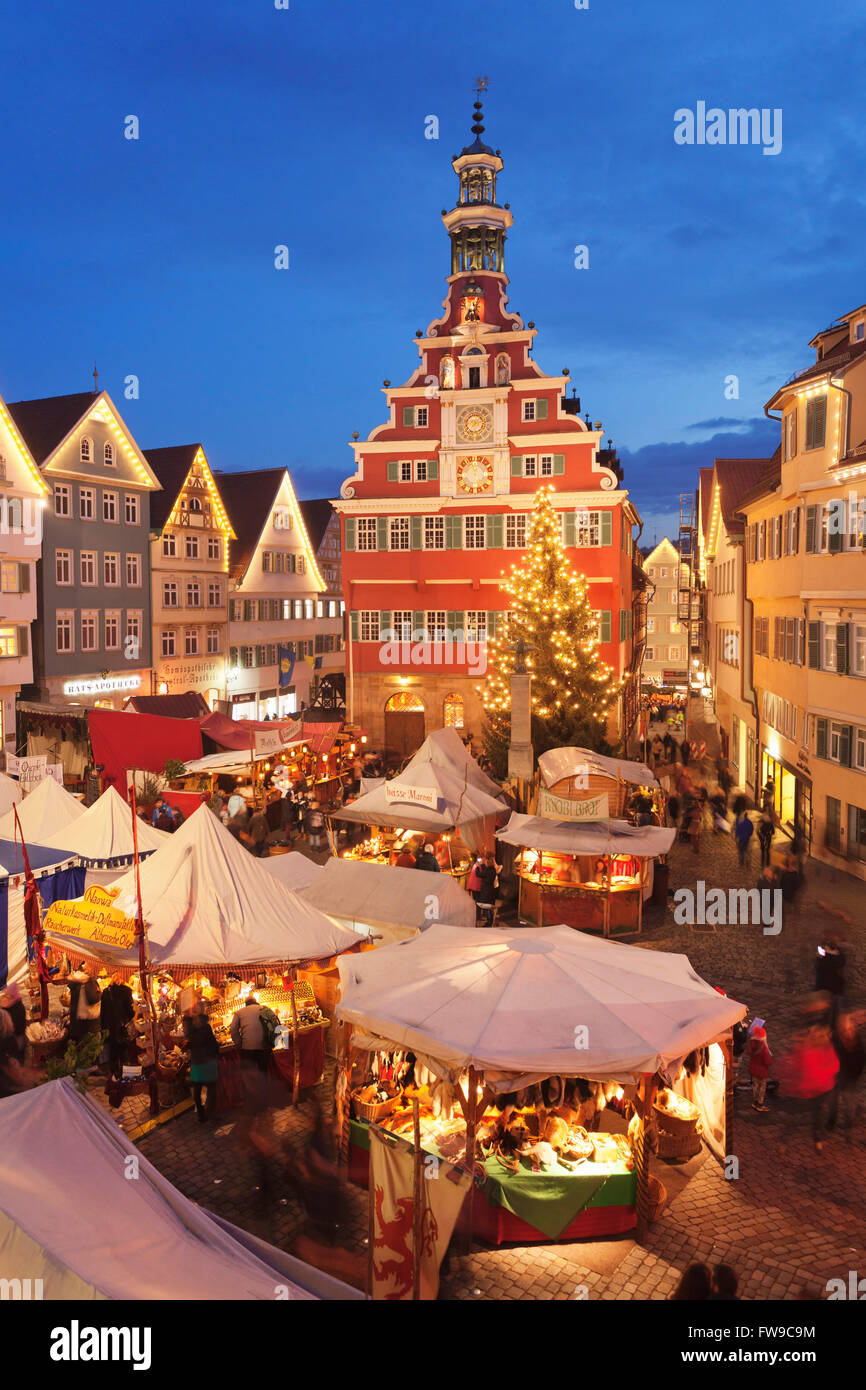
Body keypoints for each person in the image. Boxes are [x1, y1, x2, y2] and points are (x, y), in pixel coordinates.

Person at [827, 1010, 865, 1134]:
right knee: (832, 1100)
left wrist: (853, 1075)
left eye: (849, 1029)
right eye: (843, 1029)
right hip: (836, 1074)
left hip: (850, 1077)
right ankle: (831, 1122)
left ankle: (849, 1123)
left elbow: (860, 1065)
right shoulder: (835, 1039)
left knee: (849, 1101)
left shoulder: (859, 1046)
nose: (847, 1032)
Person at [183, 1006, 221, 1123]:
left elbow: (190, 1044)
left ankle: (201, 1114)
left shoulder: (191, 1032)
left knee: (197, 1090)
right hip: (207, 1062)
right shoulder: (206, 1028)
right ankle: (210, 1113)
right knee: (211, 1089)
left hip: (197, 1063)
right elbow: (214, 1044)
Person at [99, 975, 135, 1079]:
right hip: (122, 1026)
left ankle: (113, 1075)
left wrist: (103, 1026)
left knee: (113, 1051)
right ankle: (124, 1075)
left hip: (109, 1026)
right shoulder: (127, 991)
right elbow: (130, 1011)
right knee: (123, 1050)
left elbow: (102, 1011)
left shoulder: (106, 991)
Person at [68, 968, 102, 1043]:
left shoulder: (75, 982)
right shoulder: (89, 982)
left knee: (79, 1044)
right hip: (88, 1023)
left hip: (76, 1020)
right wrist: (100, 994)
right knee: (88, 1046)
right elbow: (93, 999)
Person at [747, 1025, 772, 1112]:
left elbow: (747, 1052)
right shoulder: (763, 1048)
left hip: (753, 1070)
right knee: (762, 1087)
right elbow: (768, 1062)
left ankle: (754, 1102)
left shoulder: (750, 1044)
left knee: (755, 1086)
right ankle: (760, 1104)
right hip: (761, 1072)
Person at [1, 983, 27, 1061]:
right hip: (8, 1038)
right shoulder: (6, 1004)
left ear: (14, 995)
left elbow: (18, 1025)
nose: (6, 998)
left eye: (9, 996)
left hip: (17, 1037)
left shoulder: (19, 1007)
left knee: (17, 1059)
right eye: (6, 995)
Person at [475, 852, 500, 927]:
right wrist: (481, 864)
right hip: (491, 890)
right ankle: (490, 921)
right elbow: (484, 870)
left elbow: (478, 874)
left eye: (486, 862)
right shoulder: (492, 870)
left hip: (486, 891)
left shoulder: (488, 871)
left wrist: (477, 867)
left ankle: (489, 922)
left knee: (486, 906)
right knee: (489, 906)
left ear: (488, 863)